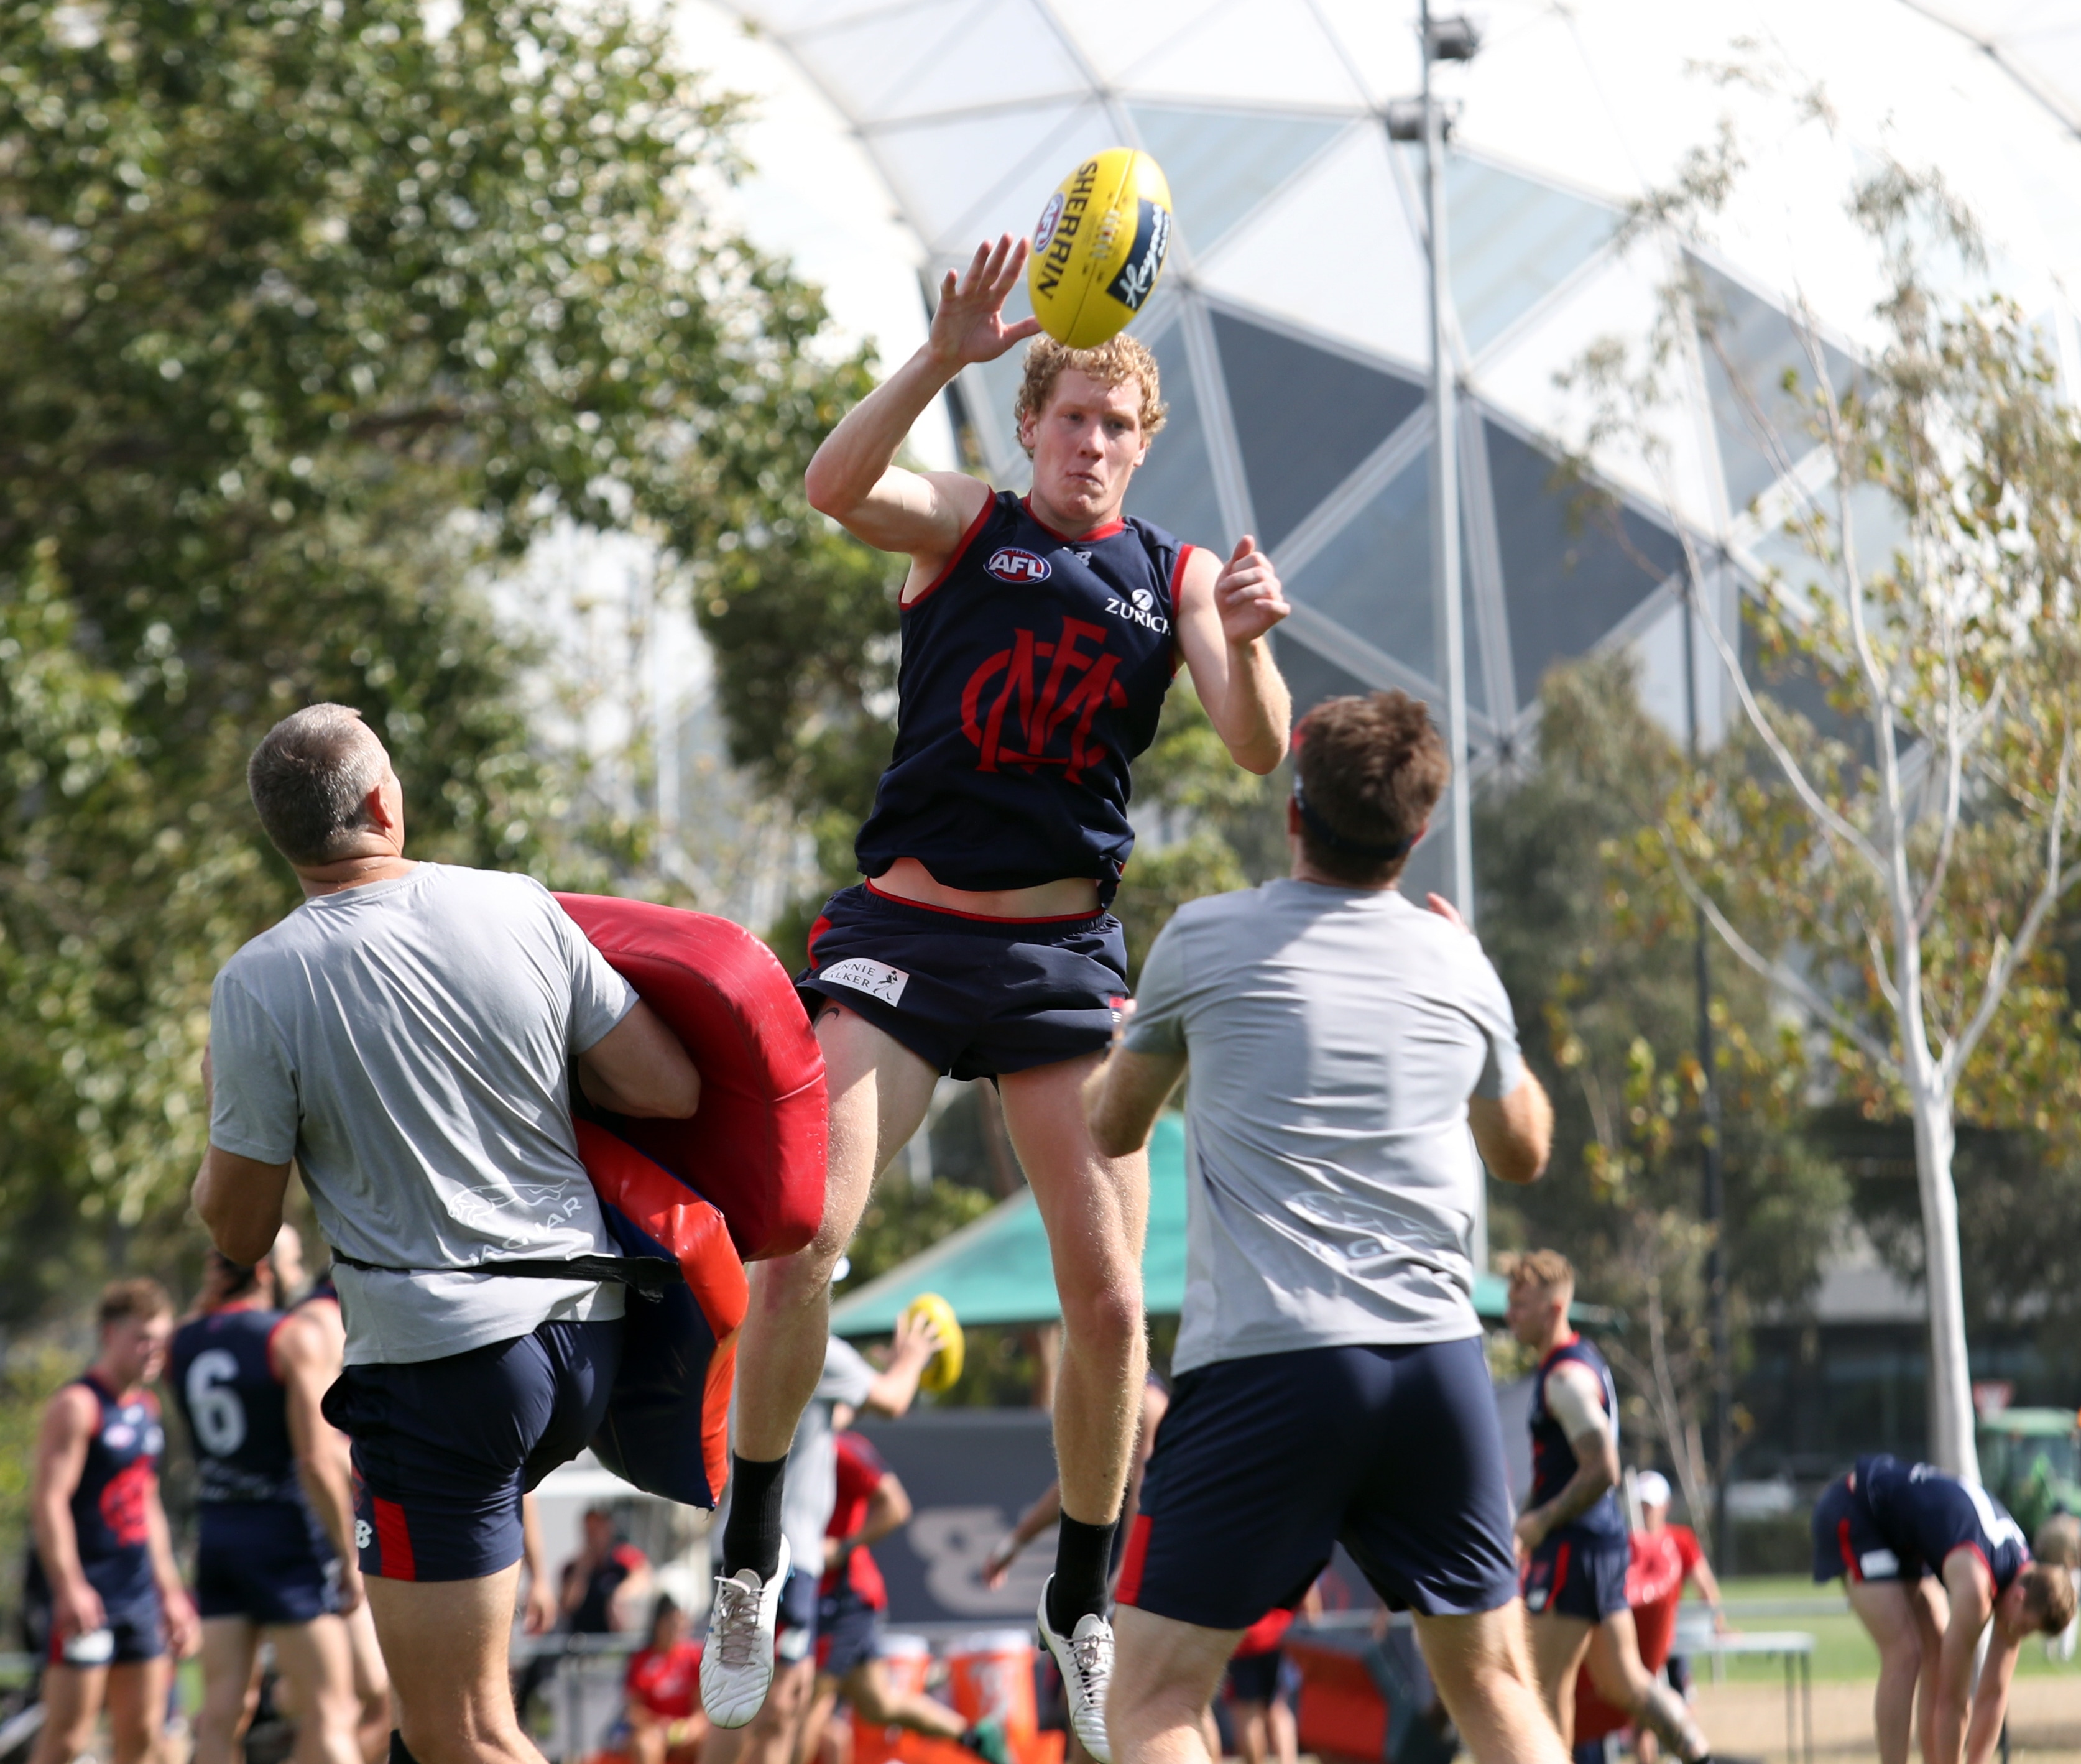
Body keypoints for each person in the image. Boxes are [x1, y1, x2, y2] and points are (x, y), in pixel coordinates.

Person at [710, 233, 1293, 1757]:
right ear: (1029, 425)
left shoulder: (1168, 576)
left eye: (1116, 425)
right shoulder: (966, 526)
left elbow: (1255, 745)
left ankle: (1082, 1598)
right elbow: (833, 488)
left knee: (1106, 1307)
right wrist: (937, 359)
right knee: (804, 1238)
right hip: (903, 940)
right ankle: (749, 1556)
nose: (1091, 443)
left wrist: (1256, 633)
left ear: (1142, 442)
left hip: (1054, 960)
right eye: (1069, 418)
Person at [193, 703, 703, 1764]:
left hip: (446, 1367)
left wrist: (233, 1119)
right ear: (386, 802)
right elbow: (668, 1086)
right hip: (586, 1339)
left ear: (280, 838)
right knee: (418, 1741)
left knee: (463, 1731)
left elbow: (240, 1229)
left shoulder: (260, 980)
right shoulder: (517, 905)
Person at [1081, 690, 1567, 1764]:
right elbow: (1522, 1149)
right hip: (1437, 1366)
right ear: (1419, 832)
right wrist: (1490, 1005)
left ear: (1294, 811)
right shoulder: (1459, 963)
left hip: (1269, 1367)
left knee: (1152, 1697)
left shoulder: (1204, 936)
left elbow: (1112, 1127)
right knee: (1491, 1682)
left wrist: (1110, 1046)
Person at [706, 1321, 946, 1764]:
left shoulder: (735, 1337)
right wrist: (911, 1358)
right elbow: (893, 1400)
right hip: (787, 1558)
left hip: (732, 1549)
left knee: (739, 1699)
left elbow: (823, 1414)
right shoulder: (807, 1340)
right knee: (780, 1702)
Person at [1504, 1254, 1710, 1761]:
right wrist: (1528, 1521)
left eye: (1520, 1303)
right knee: (1624, 1682)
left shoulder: (1564, 1380)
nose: (1511, 1314)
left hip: (1572, 1550)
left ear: (1554, 1308)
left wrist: (1539, 1522)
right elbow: (1560, 1470)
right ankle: (1700, 1755)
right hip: (1599, 1544)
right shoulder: (1581, 1358)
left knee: (1543, 1689)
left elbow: (1603, 1469)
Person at [171, 1247, 363, 1764]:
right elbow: (316, 1458)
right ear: (263, 1270)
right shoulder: (287, 1335)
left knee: (219, 1714)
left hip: (217, 1532)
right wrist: (348, 1555)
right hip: (283, 1535)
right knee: (331, 1711)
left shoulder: (183, 1341)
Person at [25, 1279, 200, 1764]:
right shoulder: (78, 1406)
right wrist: (69, 1587)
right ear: (109, 1334)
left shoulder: (146, 1407)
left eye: (160, 1338)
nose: (154, 1349)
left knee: (144, 1735)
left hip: (139, 1595)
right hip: (89, 1596)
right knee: (68, 1738)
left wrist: (170, 1592)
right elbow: (48, 1501)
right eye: (141, 1337)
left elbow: (147, 1505)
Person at [1811, 1454, 2075, 1764]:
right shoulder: (1977, 1588)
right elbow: (1953, 1703)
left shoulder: (2026, 1583)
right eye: (2026, 1628)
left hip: (1902, 1536)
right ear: (2018, 1597)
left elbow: (1993, 1696)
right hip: (1857, 1509)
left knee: (1937, 1650)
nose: (2018, 1634)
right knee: (1906, 1652)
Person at [796, 1431, 1008, 1764]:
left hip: (845, 1598)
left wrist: (843, 1548)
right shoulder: (788, 1452)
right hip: (816, 1596)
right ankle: (976, 1737)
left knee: (807, 1701)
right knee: (878, 1703)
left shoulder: (840, 1449)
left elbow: (895, 1506)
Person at [288, 1265, 398, 1763]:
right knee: (353, 1701)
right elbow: (323, 1451)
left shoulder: (317, 1317)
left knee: (360, 1701)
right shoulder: (321, 1317)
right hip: (329, 1531)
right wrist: (349, 1545)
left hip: (336, 1527)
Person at [625, 1597, 707, 1764]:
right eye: (670, 1622)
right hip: (655, 1730)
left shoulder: (695, 1658)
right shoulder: (641, 1660)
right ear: (658, 1624)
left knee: (714, 1741)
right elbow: (634, 1710)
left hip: (690, 1730)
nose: (676, 1628)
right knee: (645, 1745)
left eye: (680, 1622)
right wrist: (659, 1725)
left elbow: (702, 1708)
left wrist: (691, 1728)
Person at [561, 1507, 653, 1636]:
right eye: (590, 1530)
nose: (595, 1536)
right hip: (582, 1639)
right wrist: (583, 1569)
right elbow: (567, 1606)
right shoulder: (573, 1568)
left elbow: (643, 1573)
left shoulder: (621, 1558)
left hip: (614, 1639)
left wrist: (619, 1596)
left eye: (599, 1528)